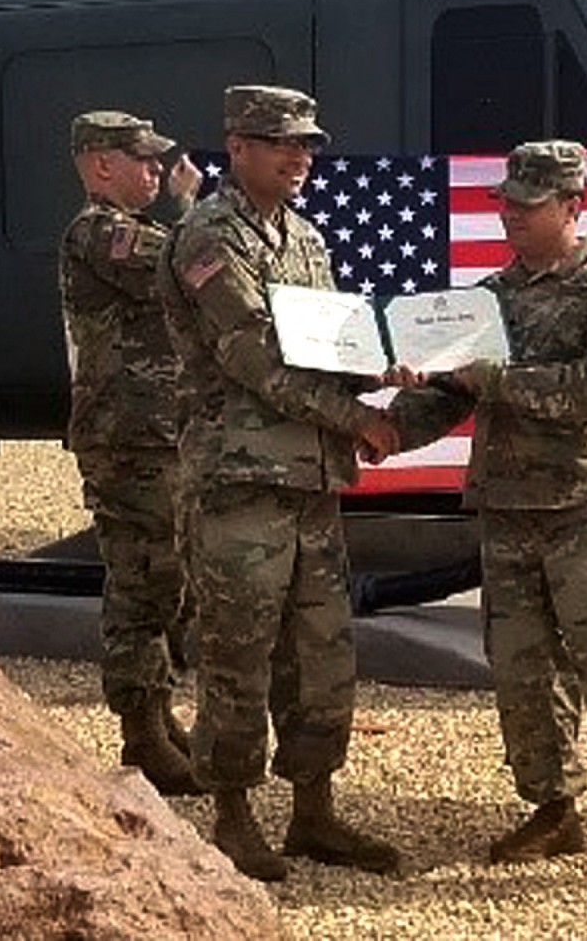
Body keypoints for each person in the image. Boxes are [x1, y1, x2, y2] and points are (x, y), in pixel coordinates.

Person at [386, 140, 587, 890]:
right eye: (506, 202)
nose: (511, 215)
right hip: (509, 506)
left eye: (528, 204)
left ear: (571, 207)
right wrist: (390, 417)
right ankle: (553, 806)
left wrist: (491, 377)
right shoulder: (488, 297)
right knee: (523, 667)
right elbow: (455, 393)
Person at [158, 85, 401, 883]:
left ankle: (313, 811)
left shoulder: (304, 236)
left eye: (307, 145)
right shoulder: (206, 237)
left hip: (309, 480)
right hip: (239, 480)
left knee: (322, 649)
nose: (300, 157)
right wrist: (355, 418)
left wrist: (381, 370)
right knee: (240, 651)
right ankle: (231, 814)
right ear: (237, 147)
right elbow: (253, 357)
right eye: (281, 143)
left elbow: (327, 339)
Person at [59, 110, 203, 797]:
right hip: (125, 437)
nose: (154, 170)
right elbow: (182, 270)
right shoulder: (97, 231)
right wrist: (194, 207)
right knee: (142, 581)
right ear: (99, 163)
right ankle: (141, 731)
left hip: (158, 433)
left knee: (167, 576)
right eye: (140, 160)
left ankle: (160, 712)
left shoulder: (138, 229)